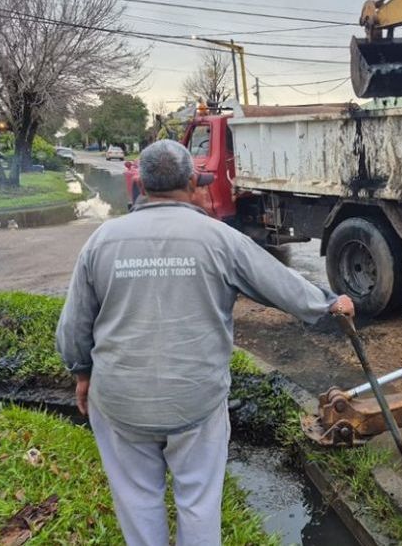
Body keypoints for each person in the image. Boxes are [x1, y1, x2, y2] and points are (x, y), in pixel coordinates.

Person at [56, 140, 354, 546]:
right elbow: (279, 284)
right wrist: (330, 303)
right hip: (195, 400)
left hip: (120, 399)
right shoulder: (219, 239)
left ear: (140, 183)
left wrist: (82, 372)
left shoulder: (103, 240)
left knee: (138, 500)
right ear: (194, 182)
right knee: (198, 502)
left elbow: (74, 328)